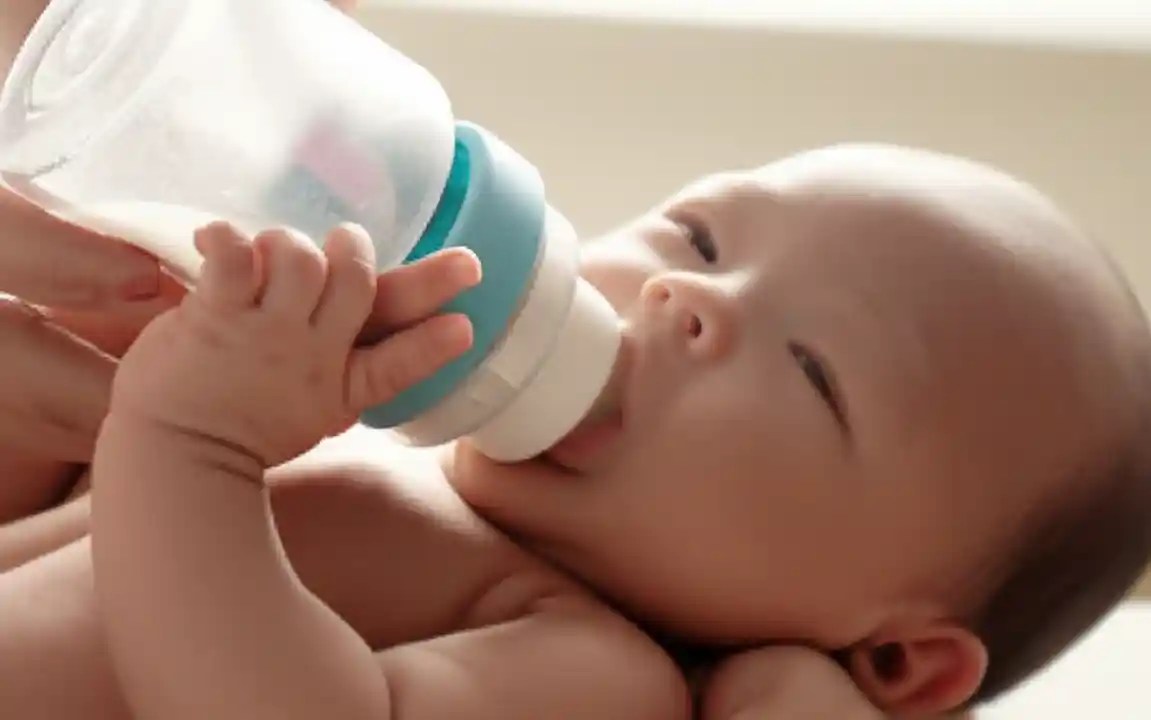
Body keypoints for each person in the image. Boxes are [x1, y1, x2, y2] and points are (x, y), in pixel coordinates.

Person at [0, 2, 887, 718]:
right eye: (697, 241)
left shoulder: (601, 668)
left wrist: (190, 443)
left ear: (898, 658)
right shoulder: (331, 430)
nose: (683, 298)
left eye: (813, 369)